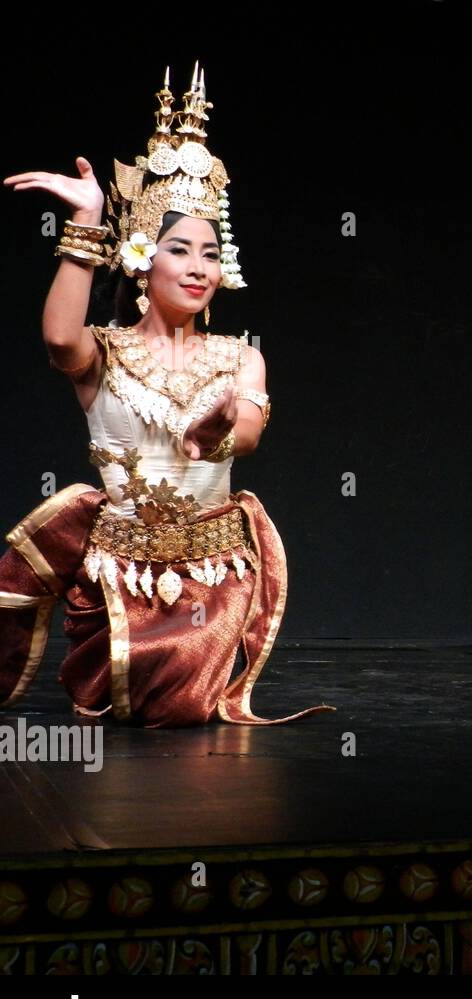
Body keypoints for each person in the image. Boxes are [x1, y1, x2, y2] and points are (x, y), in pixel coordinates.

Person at [0, 65, 334, 727]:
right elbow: (59, 338)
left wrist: (221, 433)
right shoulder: (105, 352)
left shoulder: (241, 356)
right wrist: (88, 220)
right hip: (120, 586)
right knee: (129, 701)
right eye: (180, 249)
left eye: (210, 253)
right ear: (142, 258)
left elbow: (247, 429)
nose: (198, 267)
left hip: (216, 581)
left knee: (183, 706)